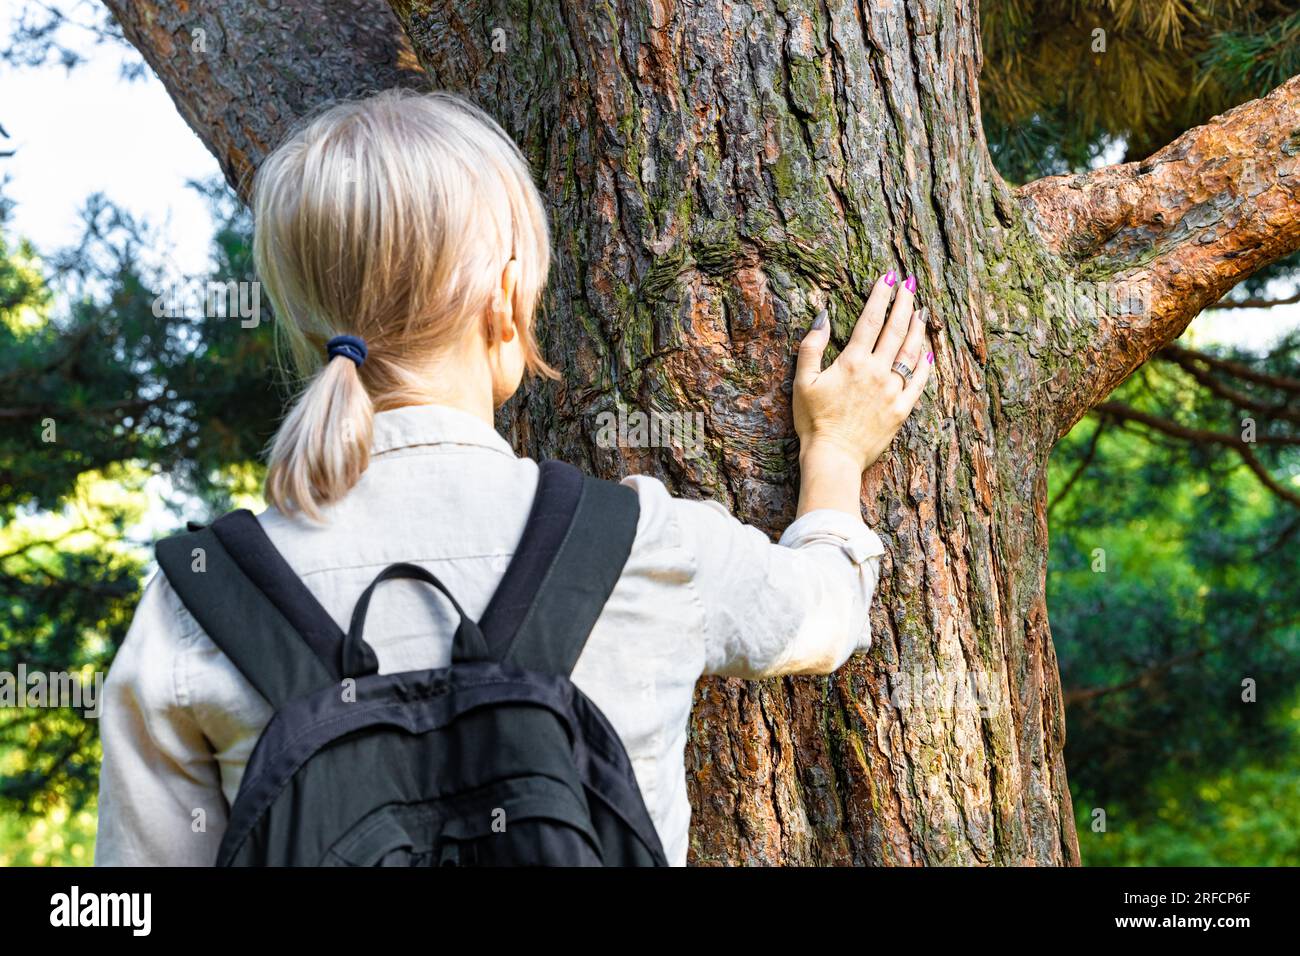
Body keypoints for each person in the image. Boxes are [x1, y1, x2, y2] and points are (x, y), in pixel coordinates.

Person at [95, 89, 932, 867]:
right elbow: (825, 613)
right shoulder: (641, 540)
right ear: (505, 296)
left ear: (308, 318)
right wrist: (834, 454)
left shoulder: (199, 600)